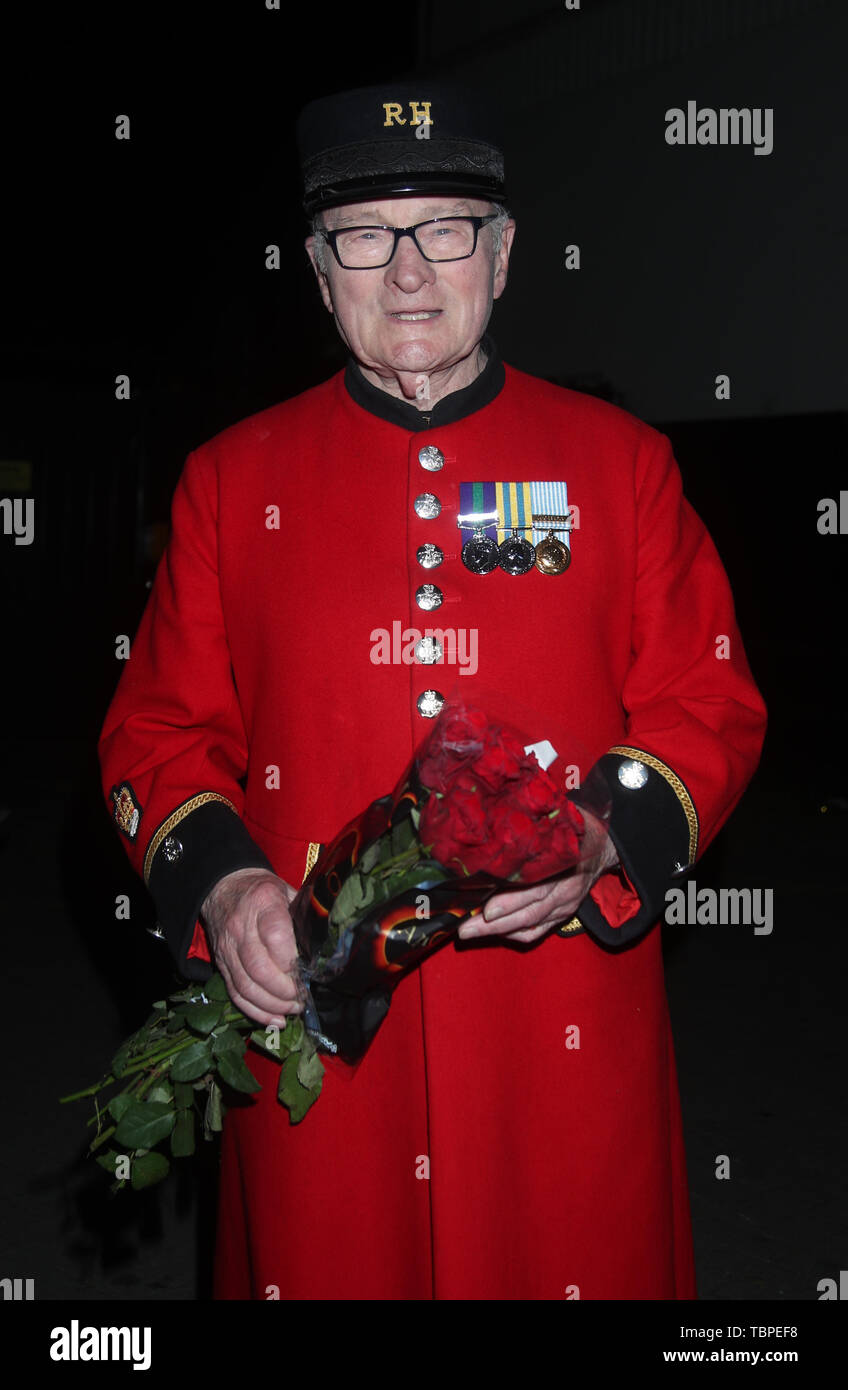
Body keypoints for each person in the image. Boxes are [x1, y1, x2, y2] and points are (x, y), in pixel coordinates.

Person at [99, 82, 767, 1300]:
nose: (406, 272)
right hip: (317, 1044)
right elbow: (155, 730)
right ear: (317, 270)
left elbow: (706, 702)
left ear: (501, 257)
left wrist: (604, 828)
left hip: (555, 1032)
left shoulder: (619, 468)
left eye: (443, 228)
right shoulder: (224, 482)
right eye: (364, 236)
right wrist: (230, 881)